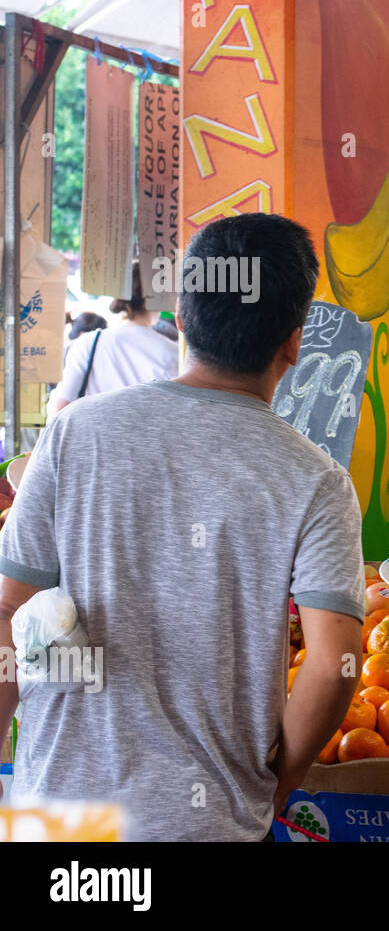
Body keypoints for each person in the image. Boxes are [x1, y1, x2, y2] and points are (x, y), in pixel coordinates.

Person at [0, 213, 364, 840]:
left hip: (61, 822)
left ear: (184, 317)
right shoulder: (316, 481)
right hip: (207, 823)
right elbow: (335, 663)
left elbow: (9, 609)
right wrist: (278, 782)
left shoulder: (75, 434)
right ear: (293, 342)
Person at [48, 268, 178, 415]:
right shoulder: (174, 354)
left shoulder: (88, 344)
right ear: (159, 298)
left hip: (94, 436)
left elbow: (60, 408)